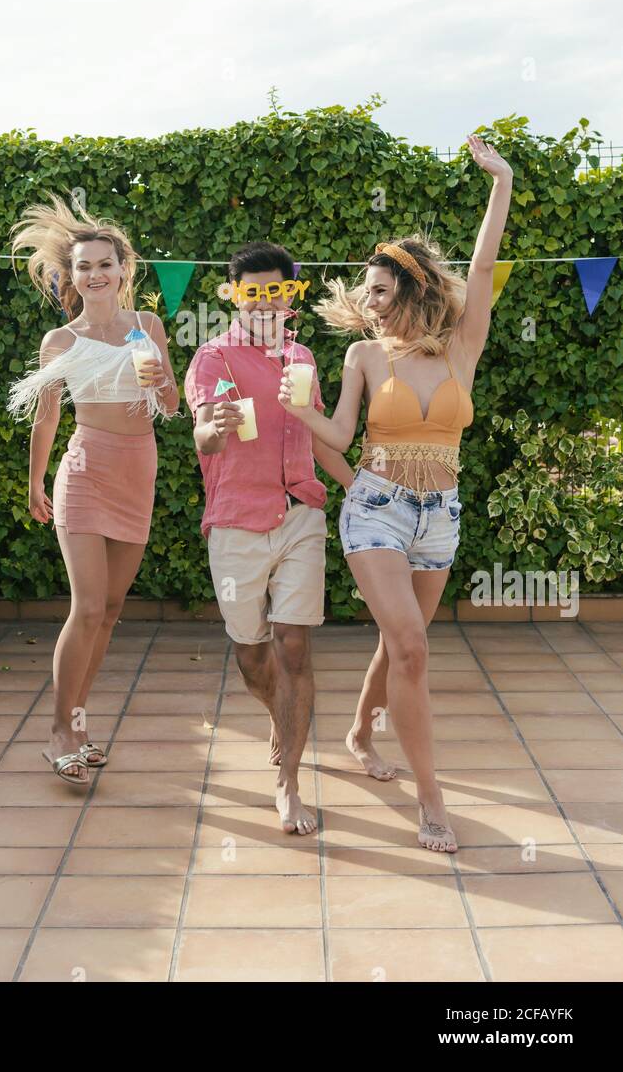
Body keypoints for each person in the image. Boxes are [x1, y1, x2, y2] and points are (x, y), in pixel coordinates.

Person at [278, 135, 513, 852]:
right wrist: (294, 411)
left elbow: (478, 266)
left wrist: (500, 181)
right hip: (376, 509)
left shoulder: (460, 348)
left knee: (399, 643)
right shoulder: (361, 355)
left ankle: (358, 731)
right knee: (412, 648)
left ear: (410, 289)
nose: (368, 301)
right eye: (366, 291)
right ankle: (432, 800)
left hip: (441, 514)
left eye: (379, 289)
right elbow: (339, 435)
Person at [6, 192, 180, 787]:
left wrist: (158, 381)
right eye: (85, 266)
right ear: (71, 275)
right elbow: (47, 418)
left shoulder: (148, 327)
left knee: (109, 611)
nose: (96, 274)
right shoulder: (60, 340)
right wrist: (34, 480)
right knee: (85, 606)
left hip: (139, 469)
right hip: (83, 471)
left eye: (106, 264)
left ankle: (80, 723)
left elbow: (172, 406)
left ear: (124, 269)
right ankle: (58, 730)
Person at [184, 242, 356, 835]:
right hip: (234, 522)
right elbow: (203, 437)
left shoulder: (302, 354)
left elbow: (321, 436)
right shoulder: (213, 358)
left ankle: (289, 781)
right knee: (252, 652)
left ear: (290, 293)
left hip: (300, 514)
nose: (264, 299)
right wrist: (217, 425)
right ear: (234, 294)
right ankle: (285, 719)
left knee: (294, 647)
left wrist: (361, 491)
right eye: (251, 290)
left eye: (275, 289)